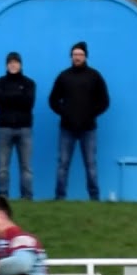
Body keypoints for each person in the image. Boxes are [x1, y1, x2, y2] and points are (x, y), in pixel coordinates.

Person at [48, 41, 109, 201]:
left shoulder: (95, 76)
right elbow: (53, 100)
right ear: (71, 57)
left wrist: (91, 114)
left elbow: (104, 101)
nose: (77, 57)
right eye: (75, 55)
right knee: (63, 164)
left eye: (80, 55)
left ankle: (94, 197)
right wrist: (64, 113)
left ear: (85, 56)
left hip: (88, 129)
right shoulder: (64, 76)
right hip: (67, 128)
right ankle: (60, 197)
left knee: (90, 164)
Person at [0, 51, 36, 200]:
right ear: (6, 65)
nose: (13, 65)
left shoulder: (29, 83)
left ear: (21, 64)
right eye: (10, 62)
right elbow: (0, 102)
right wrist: (18, 95)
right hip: (4, 128)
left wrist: (10, 97)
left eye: (16, 62)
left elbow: (28, 103)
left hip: (24, 128)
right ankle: (3, 196)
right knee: (2, 168)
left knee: (26, 167)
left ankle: (27, 197)